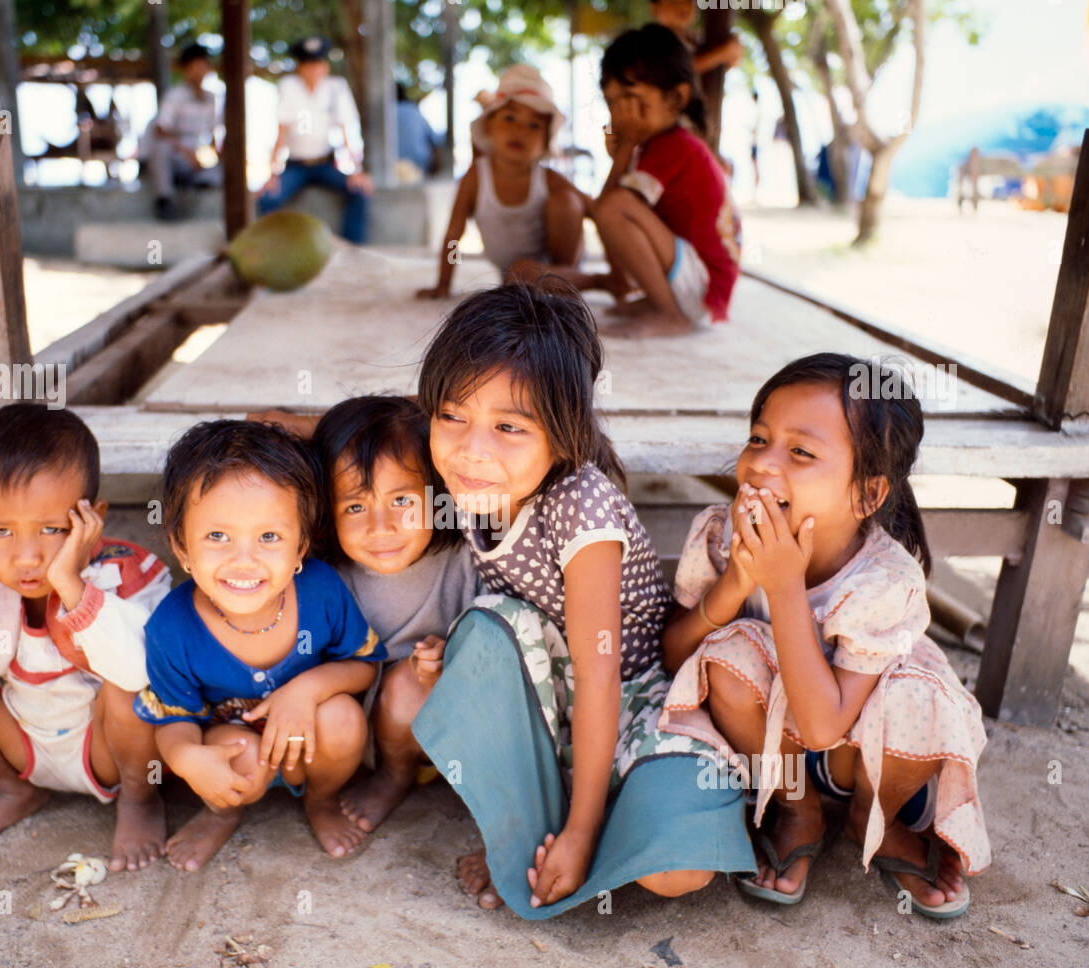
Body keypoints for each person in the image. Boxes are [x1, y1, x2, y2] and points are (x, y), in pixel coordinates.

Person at [411, 282, 755, 917]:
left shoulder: (581, 512)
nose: (471, 449)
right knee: (486, 630)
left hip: (630, 694)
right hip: (552, 699)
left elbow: (601, 680)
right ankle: (529, 835)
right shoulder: (477, 476)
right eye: (452, 416)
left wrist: (579, 834)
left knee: (679, 873)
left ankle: (587, 824)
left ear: (563, 440)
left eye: (509, 427)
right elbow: (403, 412)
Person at [660, 354, 989, 918]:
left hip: (865, 758)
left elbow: (823, 726)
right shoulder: (721, 537)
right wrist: (737, 583)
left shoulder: (885, 579)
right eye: (758, 438)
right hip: (771, 751)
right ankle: (797, 811)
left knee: (923, 695)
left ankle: (873, 820)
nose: (762, 465)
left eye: (801, 452)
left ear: (866, 495)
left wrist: (783, 587)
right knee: (724, 656)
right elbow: (674, 658)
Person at [0, 405, 173, 869]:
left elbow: (141, 669)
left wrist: (73, 585)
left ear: (92, 521)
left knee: (130, 686)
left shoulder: (128, 574)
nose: (26, 557)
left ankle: (139, 800)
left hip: (107, 746)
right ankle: (17, 792)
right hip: (22, 737)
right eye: (0, 530)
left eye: (52, 529)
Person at [133, 421, 387, 871]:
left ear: (300, 548)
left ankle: (321, 801)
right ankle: (223, 813)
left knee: (344, 718)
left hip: (310, 740)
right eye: (217, 536)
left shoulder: (322, 591)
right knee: (239, 753)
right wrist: (188, 759)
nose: (243, 560)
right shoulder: (171, 628)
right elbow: (176, 721)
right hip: (236, 746)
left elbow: (363, 665)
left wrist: (304, 691)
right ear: (182, 547)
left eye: (269, 537)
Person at [309, 396, 479, 833]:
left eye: (402, 500)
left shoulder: (467, 555)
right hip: (357, 735)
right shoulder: (328, 577)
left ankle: (401, 773)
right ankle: (388, 771)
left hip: (442, 720)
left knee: (410, 681)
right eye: (355, 506)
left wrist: (451, 653)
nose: (380, 526)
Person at [584, 24, 741, 337]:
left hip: (705, 288)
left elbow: (610, 209)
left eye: (631, 99)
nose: (621, 114)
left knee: (616, 205)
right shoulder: (660, 146)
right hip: (701, 281)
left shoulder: (673, 146)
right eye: (613, 102)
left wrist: (624, 149)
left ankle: (670, 313)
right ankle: (664, 302)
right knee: (614, 205)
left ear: (677, 97)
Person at [417, 65, 585, 296]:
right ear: (488, 125)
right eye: (510, 118)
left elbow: (598, 209)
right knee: (520, 273)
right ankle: (561, 284)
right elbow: (454, 236)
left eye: (534, 125)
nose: (519, 130)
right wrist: (444, 283)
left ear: (546, 141)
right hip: (515, 274)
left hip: (557, 264)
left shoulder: (548, 178)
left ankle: (589, 280)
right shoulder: (476, 176)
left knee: (568, 201)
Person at [258, 36, 372, 244]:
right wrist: (272, 173)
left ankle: (352, 247)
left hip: (325, 163)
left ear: (325, 66)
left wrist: (357, 170)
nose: (314, 69)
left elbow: (348, 131)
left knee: (359, 191)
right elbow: (281, 132)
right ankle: (275, 247)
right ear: (300, 67)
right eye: (308, 64)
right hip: (296, 165)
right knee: (268, 199)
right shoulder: (288, 86)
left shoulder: (337, 87)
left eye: (318, 63)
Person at [148, 43, 222, 221]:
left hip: (199, 159)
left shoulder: (211, 98)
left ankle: (199, 186)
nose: (199, 70)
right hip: (177, 155)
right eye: (194, 65)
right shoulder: (175, 95)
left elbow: (213, 133)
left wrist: (210, 154)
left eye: (203, 64)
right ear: (185, 69)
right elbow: (161, 129)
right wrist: (186, 152)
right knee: (161, 148)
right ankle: (164, 199)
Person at [648, 0, 744, 76]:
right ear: (655, 8)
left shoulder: (697, 38)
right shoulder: (656, 40)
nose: (684, 5)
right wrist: (721, 53)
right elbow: (678, 69)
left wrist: (731, 57)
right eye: (674, 1)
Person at [395, 82, 440, 180]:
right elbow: (434, 139)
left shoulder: (385, 114)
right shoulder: (413, 110)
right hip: (420, 166)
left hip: (392, 168)